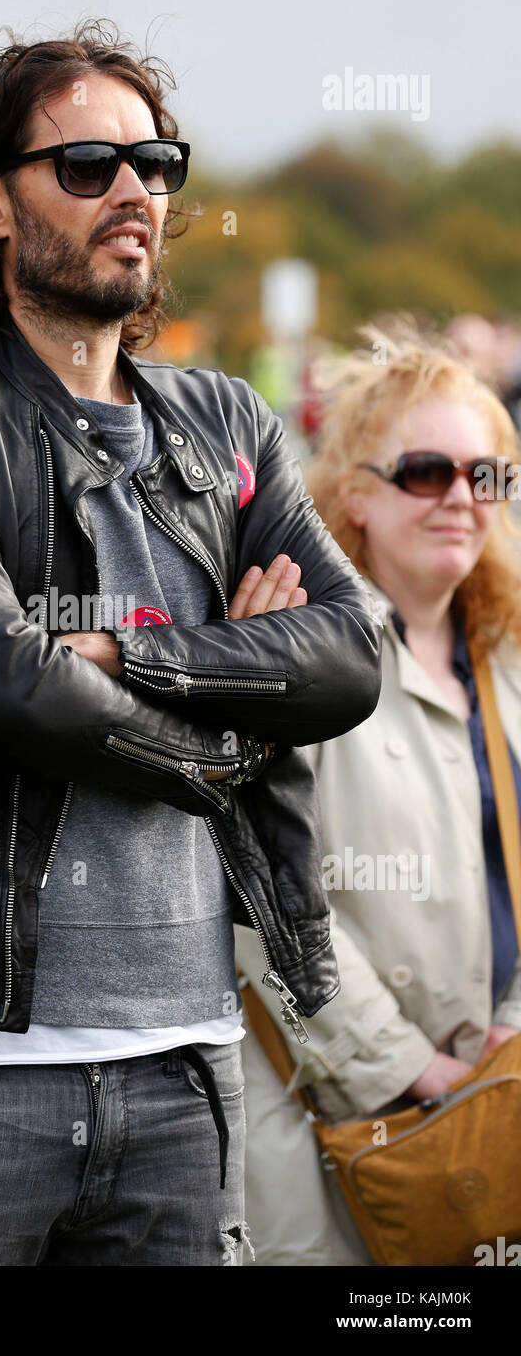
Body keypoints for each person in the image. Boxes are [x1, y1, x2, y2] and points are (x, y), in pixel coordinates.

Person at [0, 19, 381, 1267]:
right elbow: (5, 689)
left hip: (186, 1069)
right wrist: (230, 714)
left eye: (156, 164)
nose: (134, 192)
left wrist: (110, 661)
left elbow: (347, 659)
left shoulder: (226, 417)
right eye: (89, 164)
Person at [236, 322, 521, 1265]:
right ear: (352, 494)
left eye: (487, 476)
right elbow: (259, 891)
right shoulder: (294, 650)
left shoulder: (510, 660)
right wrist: (403, 1064)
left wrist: (503, 1057)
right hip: (331, 1134)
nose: (459, 498)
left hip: (496, 1117)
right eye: (426, 471)